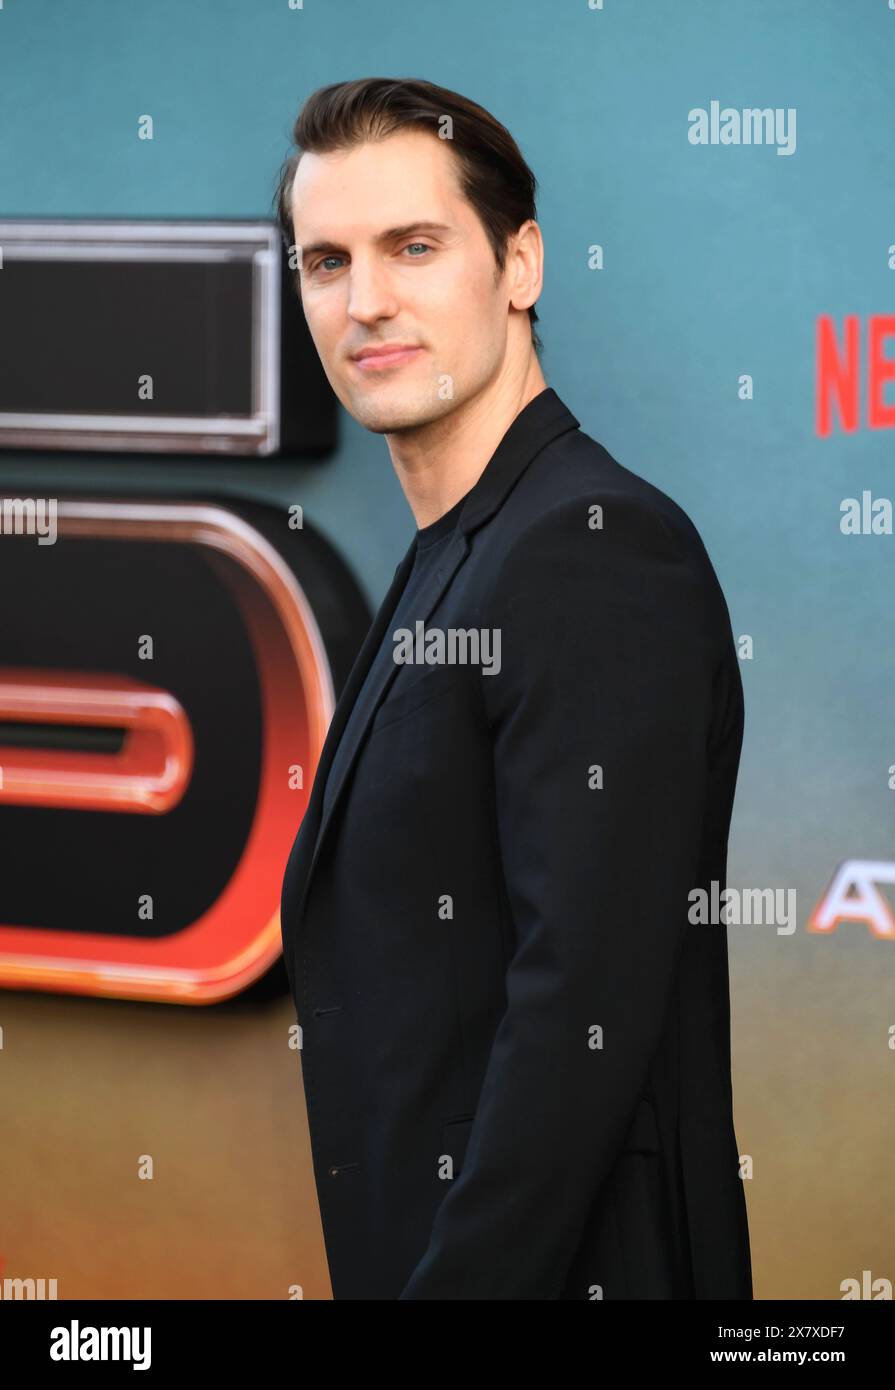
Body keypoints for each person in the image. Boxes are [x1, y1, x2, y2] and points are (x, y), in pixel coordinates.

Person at [276, 76, 752, 1300]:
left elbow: (574, 1021)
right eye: (324, 261)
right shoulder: (462, 551)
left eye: (413, 246)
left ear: (521, 262)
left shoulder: (590, 546)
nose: (364, 300)